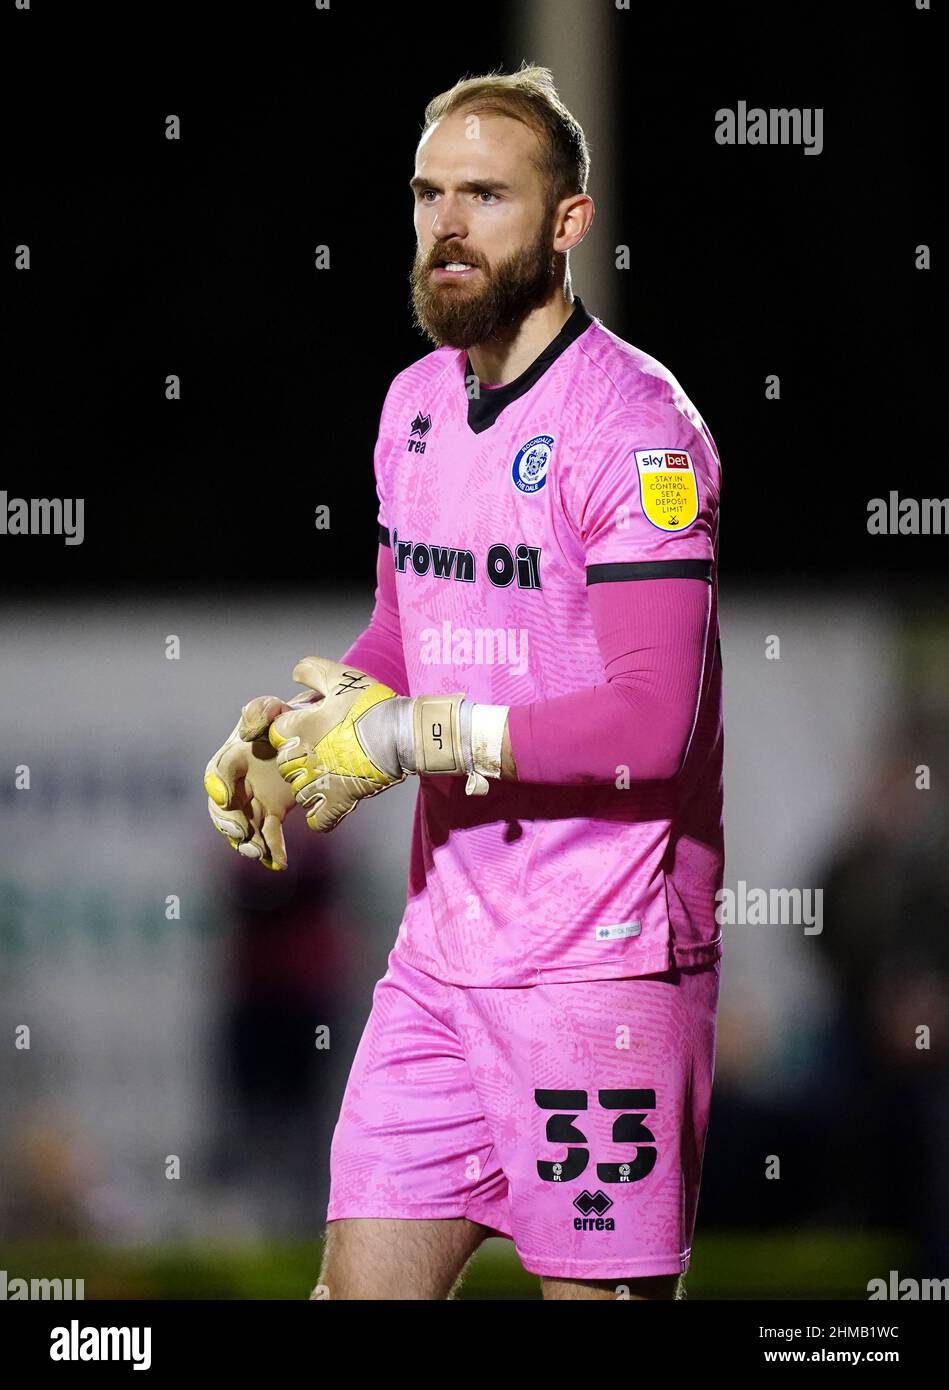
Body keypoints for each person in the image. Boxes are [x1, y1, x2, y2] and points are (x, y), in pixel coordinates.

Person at [205, 64, 724, 1301]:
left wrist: (407, 741)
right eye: (429, 193)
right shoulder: (412, 406)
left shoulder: (637, 426)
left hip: (602, 966)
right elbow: (403, 633)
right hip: (439, 962)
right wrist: (296, 735)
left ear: (566, 221)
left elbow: (649, 729)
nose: (447, 223)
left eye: (486, 195)